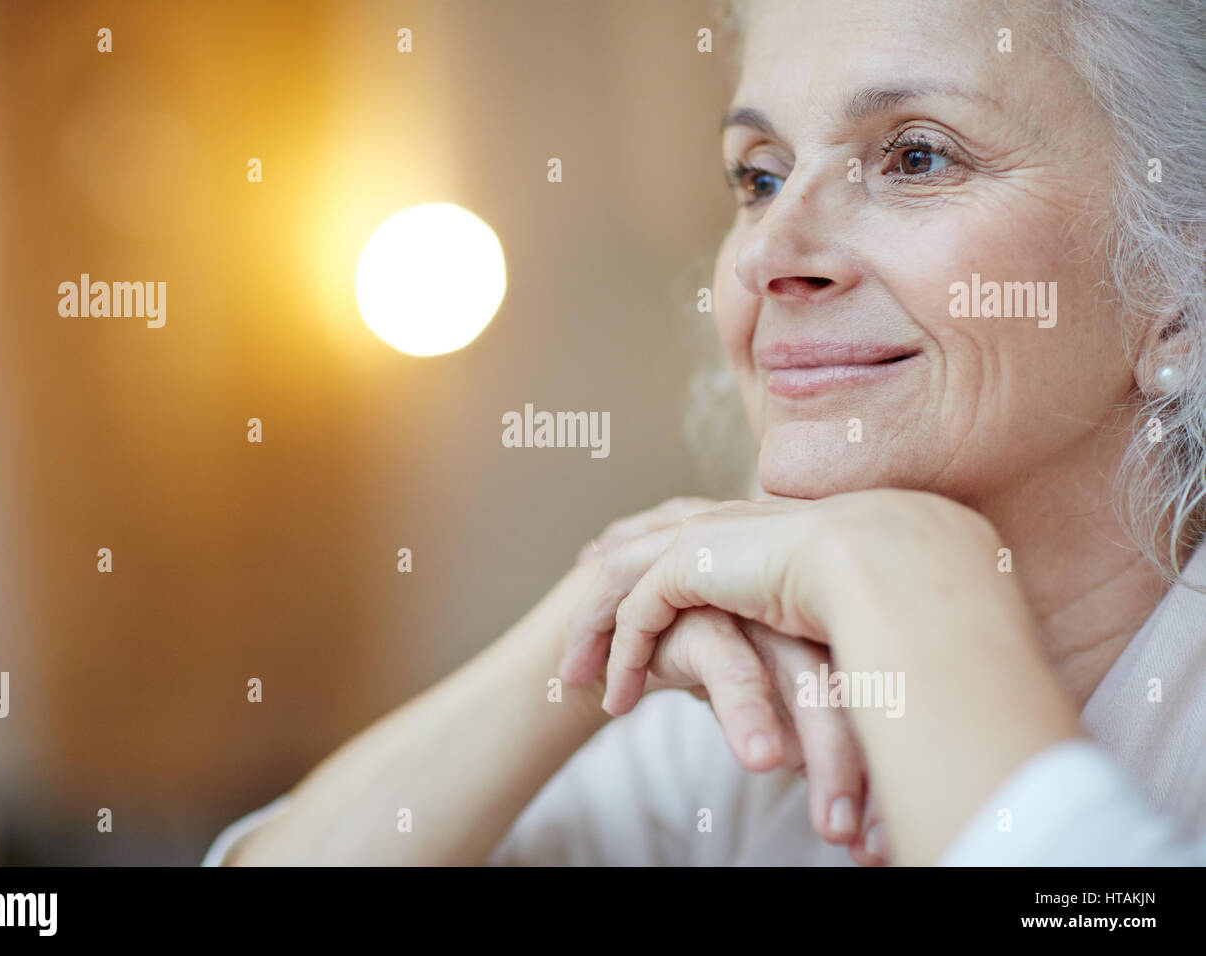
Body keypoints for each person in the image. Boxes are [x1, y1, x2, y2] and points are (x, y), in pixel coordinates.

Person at [205, 0, 1206, 866]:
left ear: (1175, 291)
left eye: (914, 156)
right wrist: (591, 616)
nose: (767, 250)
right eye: (759, 176)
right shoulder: (748, 714)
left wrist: (909, 585)